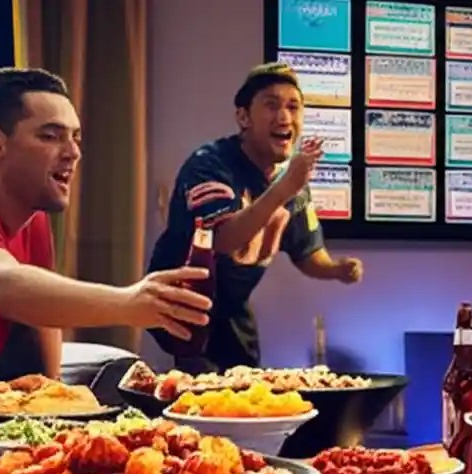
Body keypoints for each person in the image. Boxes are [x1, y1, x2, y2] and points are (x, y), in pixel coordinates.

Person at [0, 67, 211, 382]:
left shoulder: (32, 214)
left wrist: (58, 401)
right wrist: (129, 303)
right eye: (50, 136)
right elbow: (0, 284)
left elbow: (41, 315)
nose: (73, 153)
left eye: (75, 138)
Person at [146, 62, 363, 373]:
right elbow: (223, 239)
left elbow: (308, 254)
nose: (284, 117)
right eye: (271, 104)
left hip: (234, 312)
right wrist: (284, 188)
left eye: (293, 106)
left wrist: (337, 270)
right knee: (202, 403)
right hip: (181, 306)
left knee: (250, 393)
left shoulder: (291, 183)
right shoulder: (209, 164)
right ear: (243, 117)